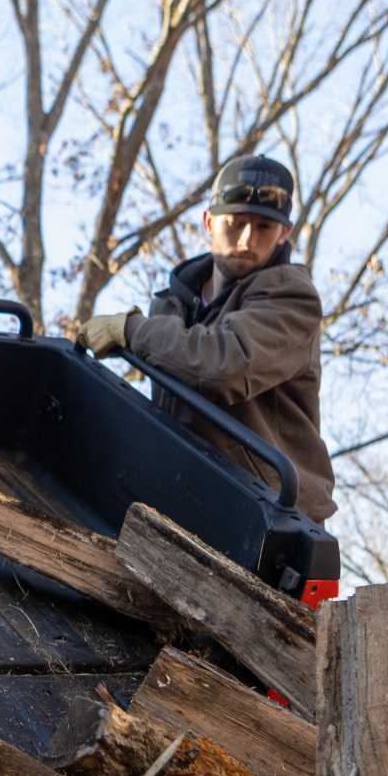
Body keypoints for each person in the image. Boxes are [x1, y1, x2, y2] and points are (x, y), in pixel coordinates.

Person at [75, 154, 335, 524]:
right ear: (209, 222)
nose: (247, 239)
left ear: (284, 234)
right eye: (236, 223)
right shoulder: (173, 305)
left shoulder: (291, 298)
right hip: (188, 496)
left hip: (269, 517)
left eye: (263, 227)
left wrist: (130, 331)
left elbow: (223, 365)